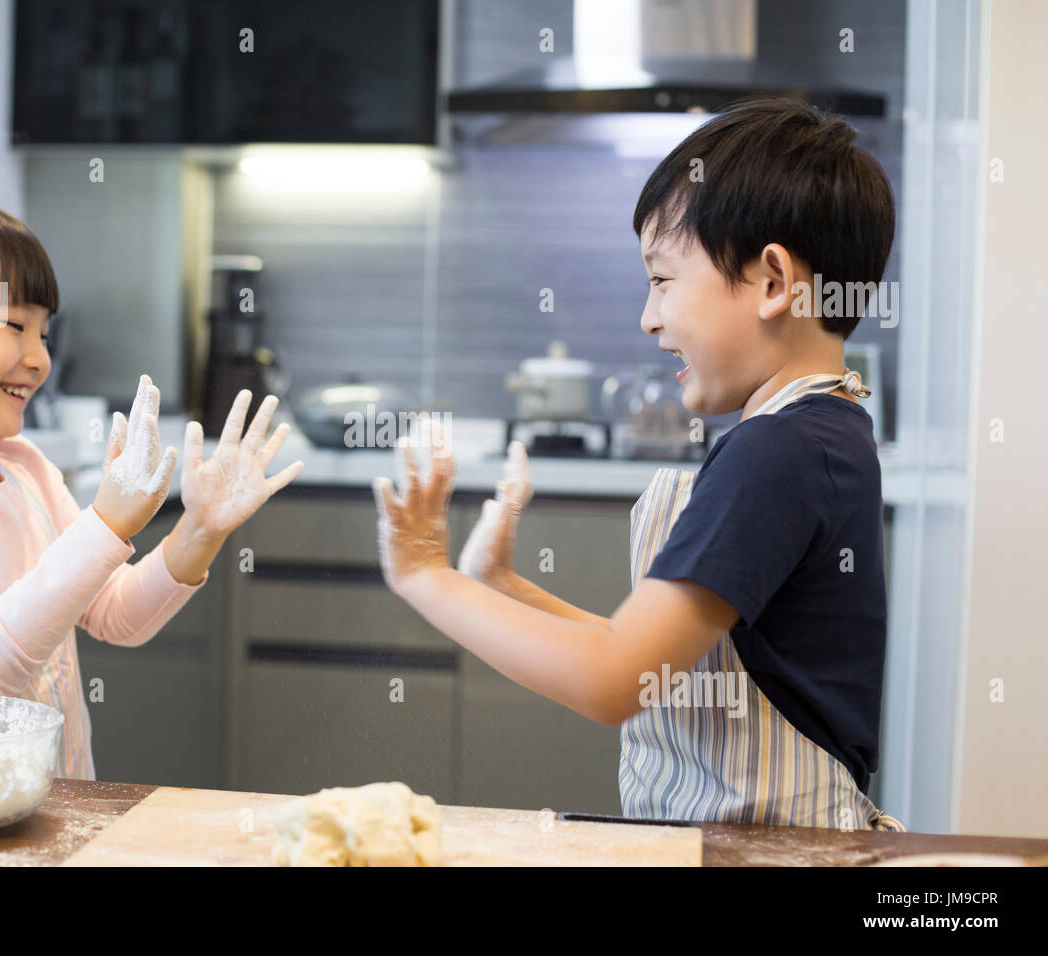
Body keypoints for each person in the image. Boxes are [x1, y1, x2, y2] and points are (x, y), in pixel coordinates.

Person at [373, 98, 905, 830]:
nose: (648, 318)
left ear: (776, 284)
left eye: (661, 280)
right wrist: (502, 589)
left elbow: (617, 681)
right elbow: (658, 660)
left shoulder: (779, 452)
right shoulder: (816, 434)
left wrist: (422, 575)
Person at [0, 194, 303, 779]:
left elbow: (118, 615)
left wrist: (199, 528)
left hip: (54, 814)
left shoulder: (26, 469)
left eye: (44, 333)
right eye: (15, 326)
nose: (40, 359)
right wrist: (106, 523)